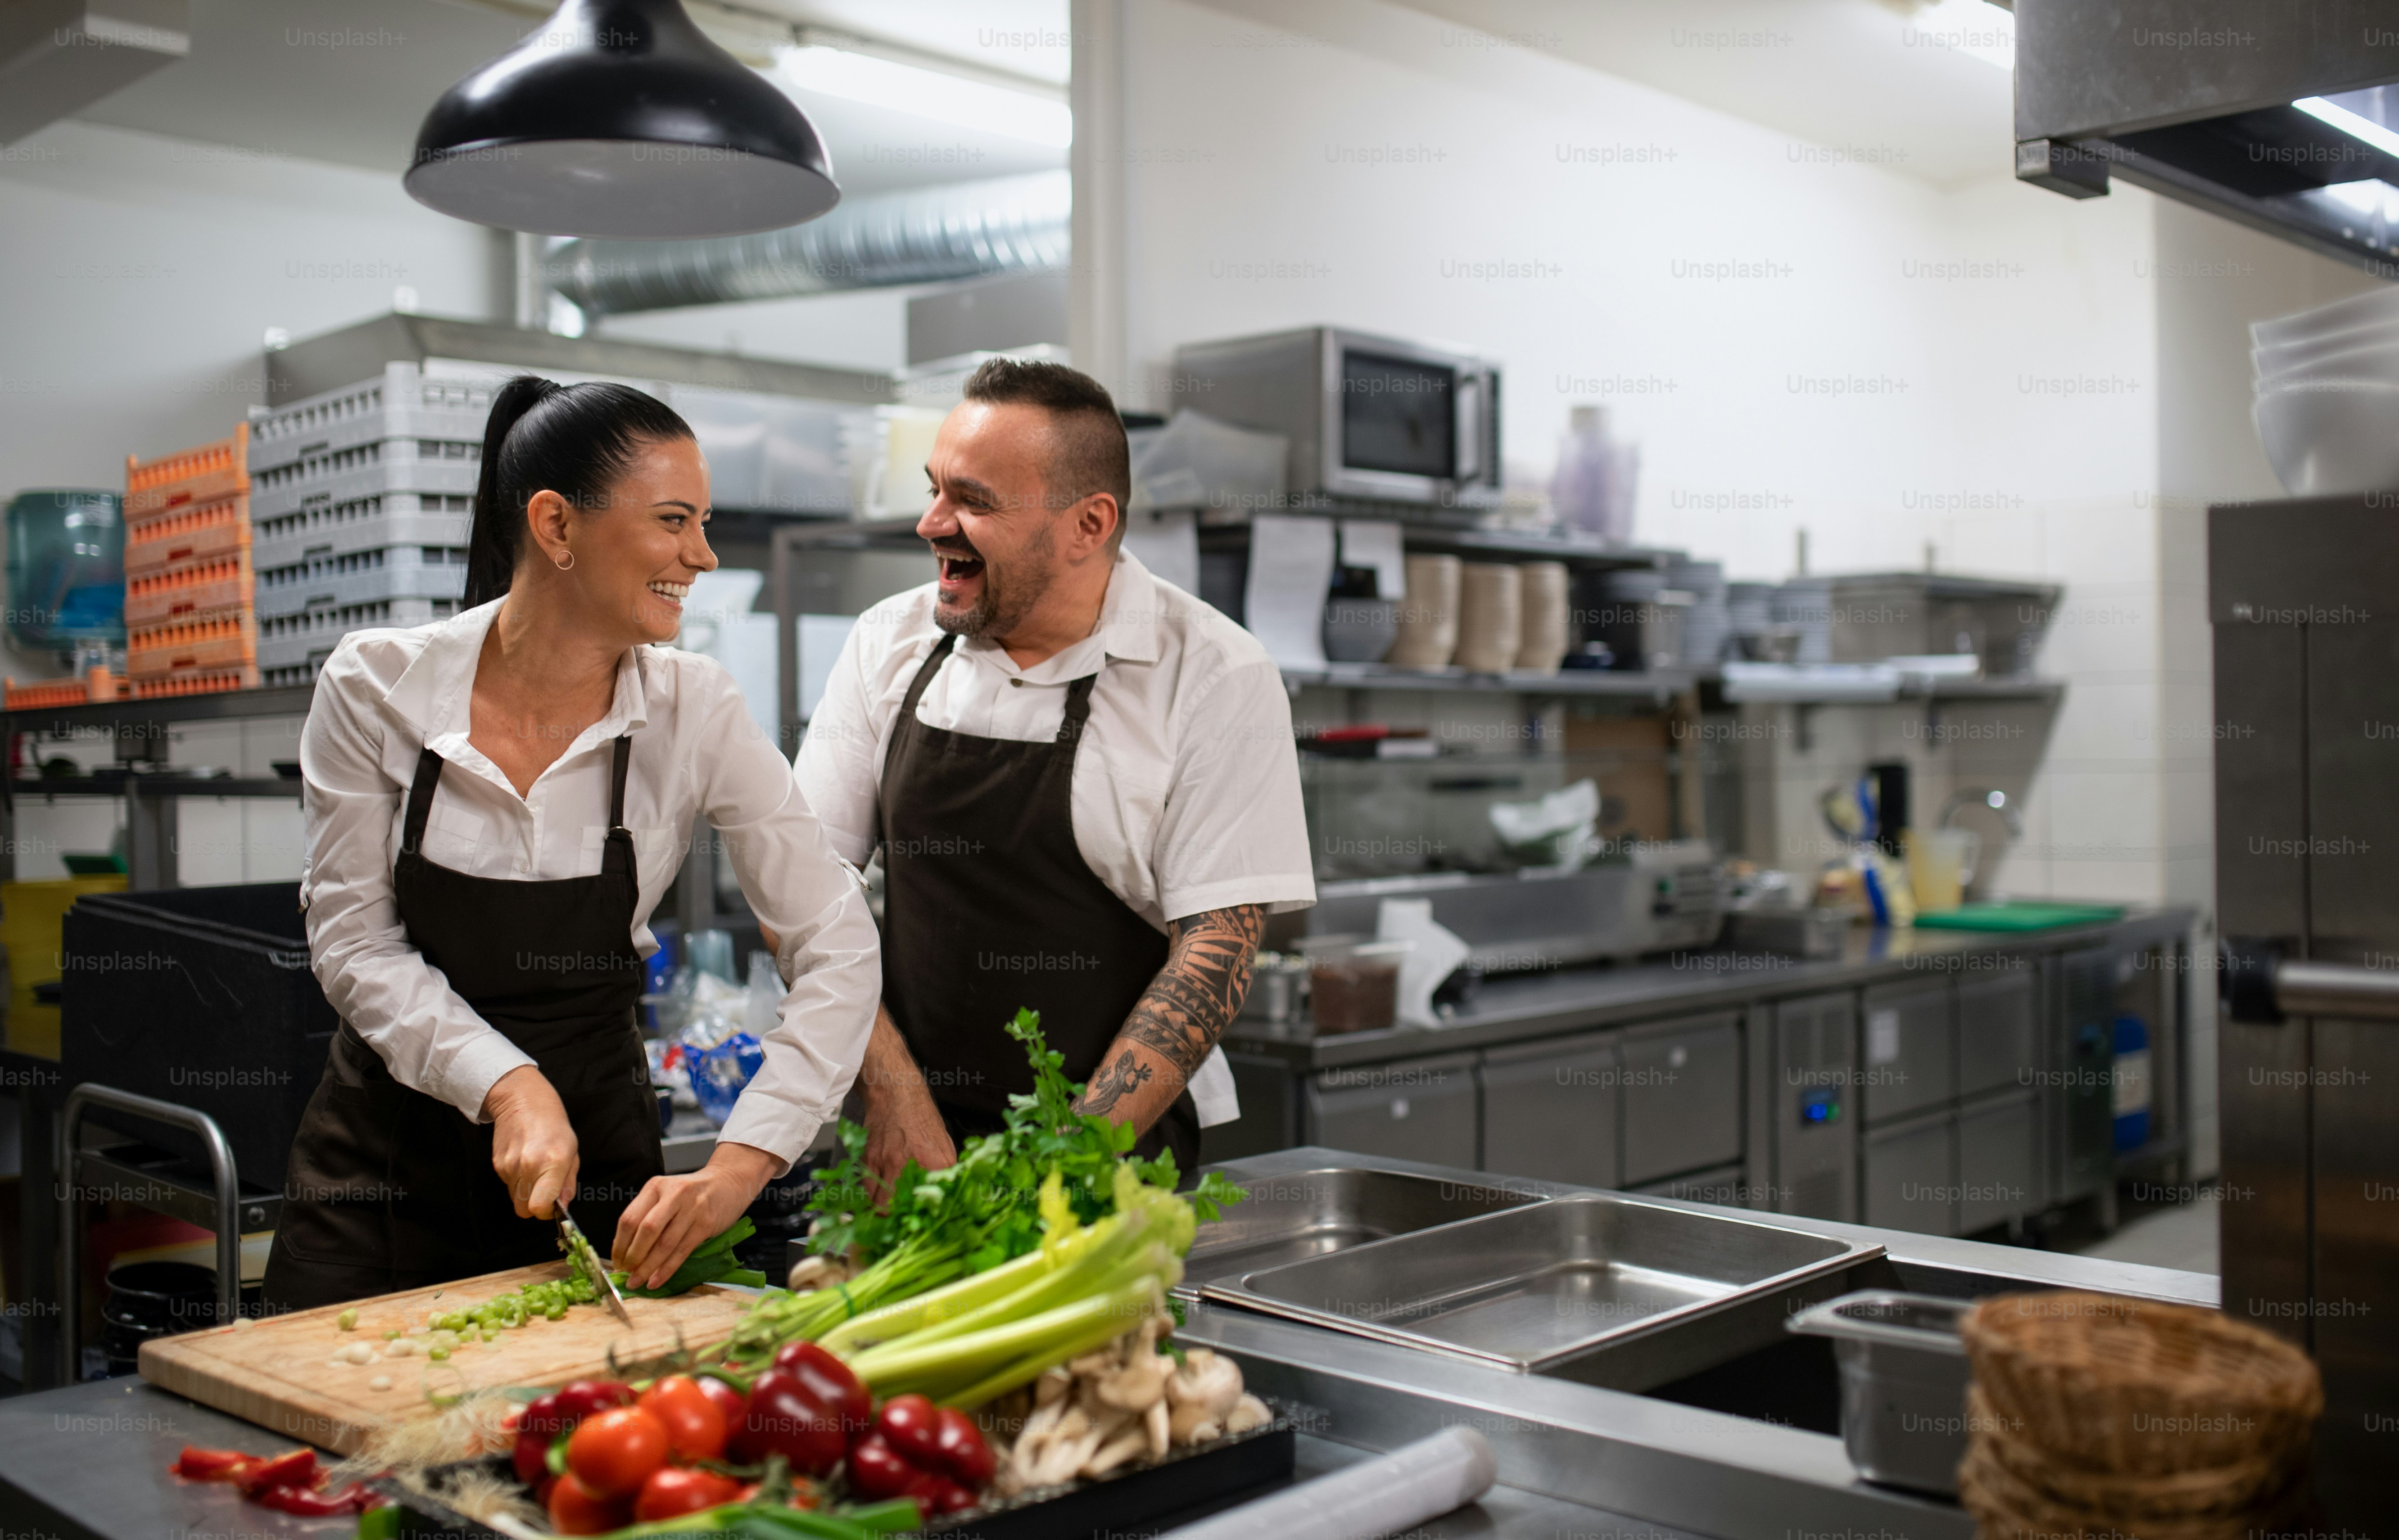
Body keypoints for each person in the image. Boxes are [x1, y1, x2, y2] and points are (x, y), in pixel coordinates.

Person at [262, 376, 878, 1309]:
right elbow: (353, 943)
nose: (703, 556)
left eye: (704, 521)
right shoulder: (375, 686)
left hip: (601, 1187)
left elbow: (837, 944)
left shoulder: (694, 708)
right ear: (556, 527)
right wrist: (506, 1084)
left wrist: (741, 1165)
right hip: (379, 1185)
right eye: (675, 520)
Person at [792, 358, 1313, 1186]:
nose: (932, 523)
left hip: (1106, 1159)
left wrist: (1065, 1166)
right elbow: (805, 890)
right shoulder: (886, 643)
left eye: (973, 500)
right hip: (896, 1147)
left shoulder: (1214, 673)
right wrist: (893, 1097)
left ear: (1089, 523)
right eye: (935, 489)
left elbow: (1216, 946)